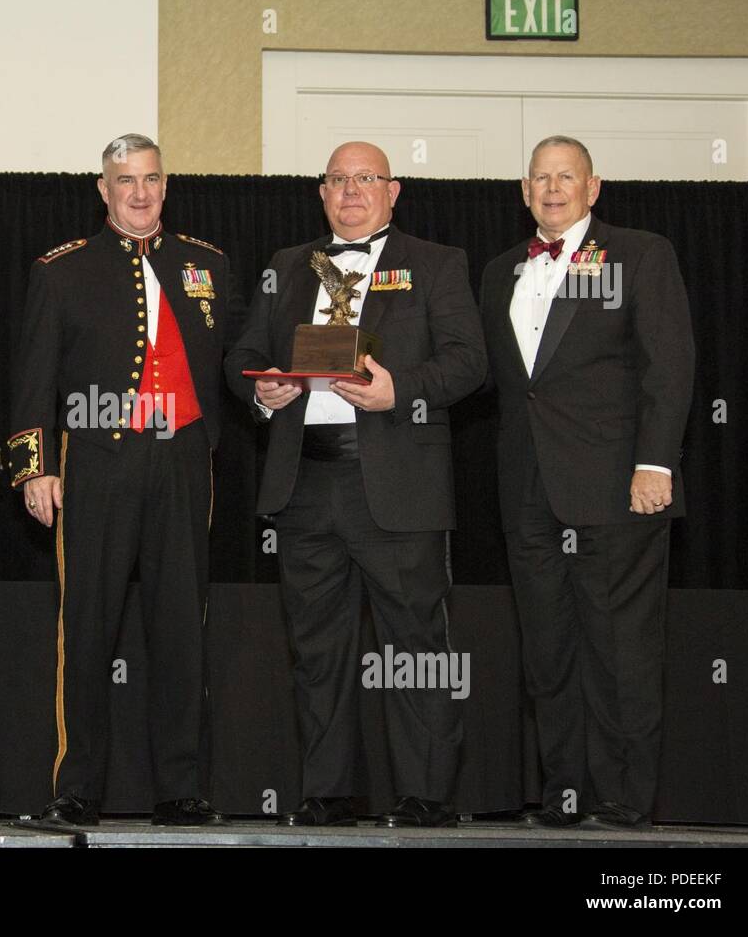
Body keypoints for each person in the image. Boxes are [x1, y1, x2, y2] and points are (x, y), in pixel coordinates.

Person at [225, 142, 486, 828]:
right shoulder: (286, 266)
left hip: (397, 485)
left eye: (365, 178)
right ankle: (327, 793)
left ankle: (426, 795)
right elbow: (244, 355)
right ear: (320, 192)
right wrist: (265, 393)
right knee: (317, 651)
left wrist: (402, 390)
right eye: (337, 180)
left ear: (393, 190)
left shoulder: (436, 263)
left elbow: (469, 362)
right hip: (304, 483)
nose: (350, 191)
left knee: (417, 650)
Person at [7, 133, 239, 827]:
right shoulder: (62, 270)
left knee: (180, 628)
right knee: (87, 627)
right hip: (97, 465)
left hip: (181, 463)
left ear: (166, 186)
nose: (140, 193)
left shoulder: (209, 266)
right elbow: (33, 380)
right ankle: (77, 787)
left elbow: (238, 362)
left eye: (152, 179)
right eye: (125, 181)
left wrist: (270, 392)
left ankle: (180, 787)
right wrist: (34, 466)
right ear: (103, 190)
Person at [479, 136, 695, 830]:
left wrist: (655, 464)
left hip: (616, 486)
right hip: (529, 490)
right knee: (549, 649)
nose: (551, 188)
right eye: (540, 178)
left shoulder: (639, 253)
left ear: (593, 187)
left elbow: (670, 366)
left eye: (565, 176)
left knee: (620, 651)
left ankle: (624, 802)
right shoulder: (500, 270)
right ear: (523, 190)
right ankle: (562, 798)